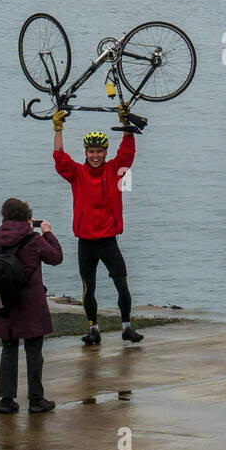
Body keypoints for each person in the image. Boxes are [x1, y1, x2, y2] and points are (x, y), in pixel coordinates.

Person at [52, 107, 143, 345]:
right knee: (88, 288)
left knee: (122, 284)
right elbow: (60, 159)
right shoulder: (77, 173)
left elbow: (127, 154)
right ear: (86, 152)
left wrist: (126, 128)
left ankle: (127, 327)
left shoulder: (115, 170)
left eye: (99, 151)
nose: (95, 155)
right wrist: (58, 129)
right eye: (91, 151)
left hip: (109, 241)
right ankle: (93, 328)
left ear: (105, 152)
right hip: (85, 242)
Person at [0, 198, 64, 414]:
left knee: (8, 350)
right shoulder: (34, 239)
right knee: (33, 350)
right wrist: (47, 232)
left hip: (5, 301)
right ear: (27, 217)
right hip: (30, 303)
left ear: (4, 216)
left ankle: (6, 401)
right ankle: (36, 399)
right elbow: (56, 257)